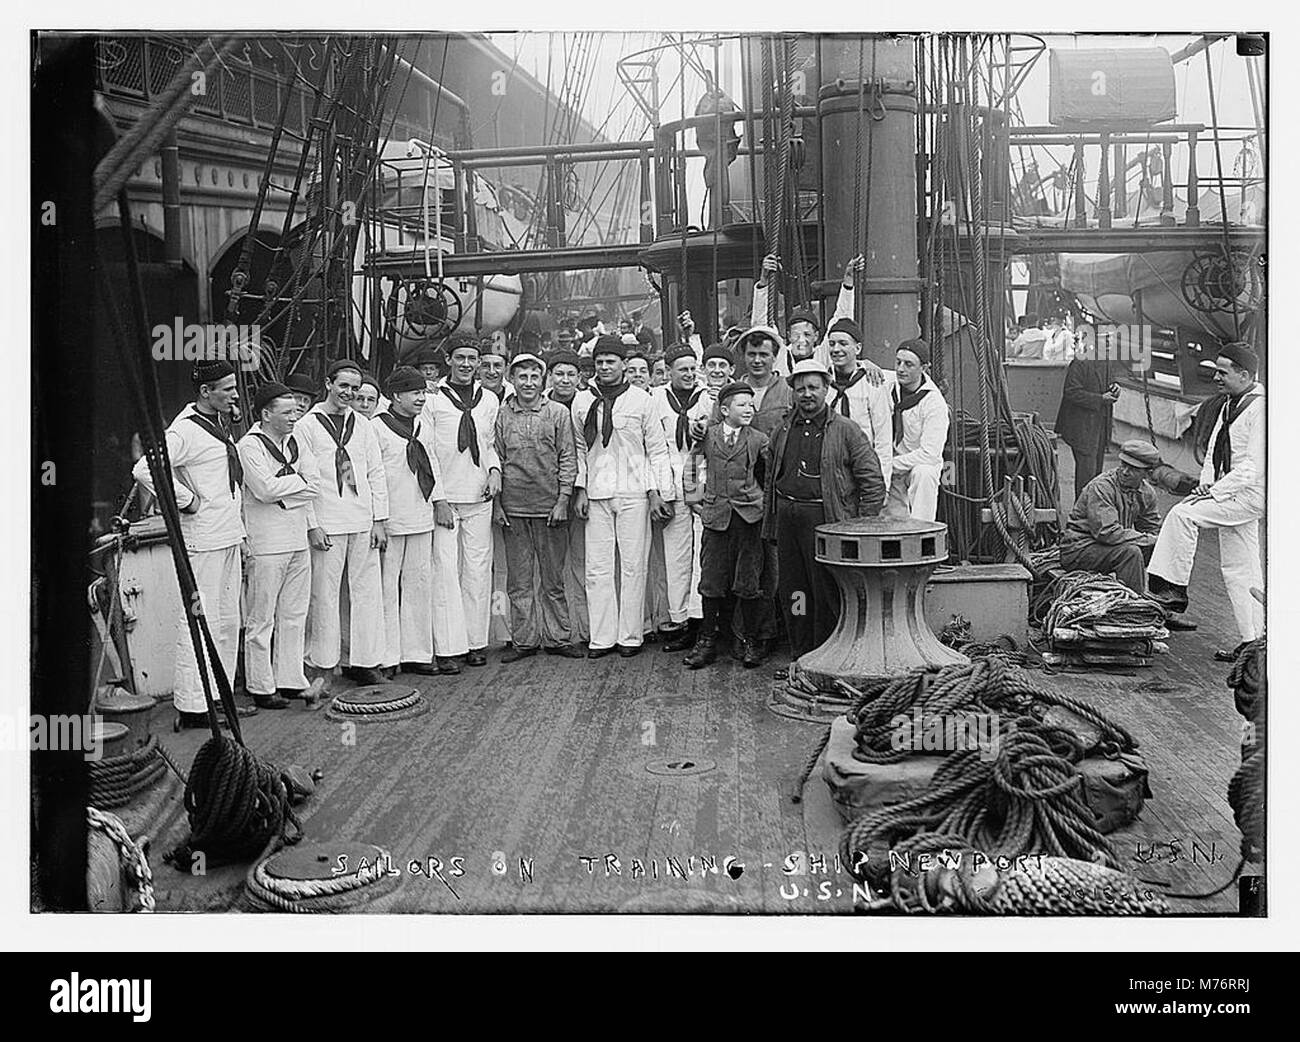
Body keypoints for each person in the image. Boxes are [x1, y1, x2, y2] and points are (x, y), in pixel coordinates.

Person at [131, 360, 250, 728]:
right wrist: (186, 500)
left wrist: (241, 534)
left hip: (227, 534)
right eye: (227, 389)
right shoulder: (185, 431)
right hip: (203, 537)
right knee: (200, 620)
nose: (234, 394)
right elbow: (145, 468)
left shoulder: (218, 424)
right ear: (205, 392)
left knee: (228, 622)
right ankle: (194, 706)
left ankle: (219, 696)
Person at [763, 358, 886, 660]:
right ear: (792, 390)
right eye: (801, 388)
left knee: (824, 591)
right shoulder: (783, 430)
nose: (807, 394)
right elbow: (769, 475)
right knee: (795, 591)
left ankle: (827, 656)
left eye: (814, 388)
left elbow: (872, 481)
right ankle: (800, 652)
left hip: (826, 522)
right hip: (788, 520)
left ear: (827, 389)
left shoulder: (846, 430)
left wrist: (857, 528)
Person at [1148, 343, 1265, 659]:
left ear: (1243, 374)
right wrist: (1206, 484)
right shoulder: (1231, 403)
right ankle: (1253, 641)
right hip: (1230, 491)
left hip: (1250, 495)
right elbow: (1214, 450)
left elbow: (1254, 466)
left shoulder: (1261, 408)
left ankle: (1172, 589)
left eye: (1222, 372)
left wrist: (1215, 492)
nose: (1216, 376)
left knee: (1182, 515)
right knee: (1239, 569)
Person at [572, 335, 674, 657]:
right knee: (597, 568)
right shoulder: (581, 401)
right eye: (599, 361)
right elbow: (578, 450)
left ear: (623, 365)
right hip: (597, 493)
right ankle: (601, 638)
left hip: (634, 491)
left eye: (611, 361)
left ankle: (630, 636)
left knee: (633, 566)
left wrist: (658, 492)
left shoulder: (642, 400)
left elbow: (656, 450)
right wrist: (581, 489)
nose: (604, 367)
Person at [296, 360, 390, 686]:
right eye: (343, 386)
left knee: (366, 593)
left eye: (354, 387)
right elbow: (303, 480)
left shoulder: (363, 426)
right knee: (324, 594)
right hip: (327, 521)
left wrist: (379, 520)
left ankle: (363, 662)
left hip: (361, 519)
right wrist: (312, 524)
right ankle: (323, 666)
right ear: (328, 384)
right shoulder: (306, 425)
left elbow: (375, 472)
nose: (348, 393)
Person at [494, 353, 583, 661]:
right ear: (513, 379)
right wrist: (498, 505)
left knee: (553, 580)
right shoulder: (503, 414)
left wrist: (563, 500)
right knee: (519, 582)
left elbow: (568, 458)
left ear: (542, 380)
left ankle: (559, 638)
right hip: (514, 507)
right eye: (522, 377)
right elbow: (497, 458)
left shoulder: (557, 413)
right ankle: (525, 641)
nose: (528, 383)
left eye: (534, 376)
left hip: (550, 509)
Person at [237, 381, 321, 709]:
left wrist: (287, 486)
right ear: (266, 414)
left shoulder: (297, 439)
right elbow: (264, 490)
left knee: (294, 613)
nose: (293, 417)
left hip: (297, 536)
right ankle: (260, 685)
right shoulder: (250, 446)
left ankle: (289, 679)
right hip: (267, 541)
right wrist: (297, 484)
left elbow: (316, 485)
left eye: (296, 411)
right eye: (286, 412)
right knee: (262, 618)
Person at [425, 334, 502, 670]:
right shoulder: (433, 400)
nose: (468, 365)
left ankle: (474, 642)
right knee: (445, 573)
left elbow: (489, 442)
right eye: (461, 358)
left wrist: (495, 471)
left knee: (477, 572)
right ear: (449, 360)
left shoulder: (489, 400)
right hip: (446, 499)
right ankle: (448, 648)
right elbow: (426, 451)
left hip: (478, 495)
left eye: (474, 359)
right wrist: (438, 497)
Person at [681, 382, 768, 669]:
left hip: (750, 519)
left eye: (751, 405)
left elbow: (768, 476)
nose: (748, 409)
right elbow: (692, 464)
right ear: (724, 409)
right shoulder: (708, 435)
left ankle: (749, 640)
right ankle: (706, 641)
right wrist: (694, 499)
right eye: (741, 404)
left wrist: (763, 504)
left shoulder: (758, 439)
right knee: (711, 581)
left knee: (749, 582)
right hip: (716, 517)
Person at [373, 367, 444, 677]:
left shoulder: (423, 427)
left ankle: (417, 652)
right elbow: (372, 476)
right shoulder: (377, 428)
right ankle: (388, 657)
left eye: (422, 393)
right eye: (414, 393)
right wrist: (378, 518)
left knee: (419, 584)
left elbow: (433, 466)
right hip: (391, 519)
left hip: (420, 514)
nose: (420, 398)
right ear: (396, 396)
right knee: (387, 589)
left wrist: (439, 501)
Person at [650, 344, 707, 652]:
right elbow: (654, 448)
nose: (688, 374)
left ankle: (702, 621)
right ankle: (680, 620)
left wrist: (705, 430)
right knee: (676, 555)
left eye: (691, 368)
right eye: (681, 369)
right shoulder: (656, 399)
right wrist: (663, 491)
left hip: (700, 474)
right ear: (668, 371)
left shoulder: (708, 398)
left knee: (702, 554)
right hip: (670, 475)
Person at [1059, 440, 1163, 594]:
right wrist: (1149, 540)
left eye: (1133, 469)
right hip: (1079, 549)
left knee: (1161, 549)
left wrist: (1160, 543)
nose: (1125, 471)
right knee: (1130, 553)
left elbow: (1152, 528)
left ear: (1147, 473)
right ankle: (1134, 607)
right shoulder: (1102, 487)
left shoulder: (1147, 493)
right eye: (1123, 465)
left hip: (1108, 548)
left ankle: (1160, 599)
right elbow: (1107, 532)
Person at [750, 253, 863, 374]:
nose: (802, 340)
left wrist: (848, 280)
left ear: (816, 336)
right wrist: (764, 281)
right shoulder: (780, 355)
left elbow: (842, 320)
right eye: (796, 335)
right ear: (788, 336)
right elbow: (761, 327)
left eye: (807, 334)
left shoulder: (822, 356)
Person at [545, 349, 590, 647]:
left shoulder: (586, 403)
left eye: (571, 374)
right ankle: (556, 632)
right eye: (559, 374)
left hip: (581, 492)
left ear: (579, 377)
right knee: (550, 570)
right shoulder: (541, 403)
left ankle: (587, 630)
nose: (565, 380)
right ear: (550, 376)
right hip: (547, 494)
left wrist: (581, 489)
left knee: (583, 566)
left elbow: (585, 450)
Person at [883, 339, 949, 522]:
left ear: (924, 367)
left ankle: (922, 530)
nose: (900, 369)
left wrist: (891, 465)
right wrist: (866, 364)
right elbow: (860, 370)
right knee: (891, 519)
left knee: (924, 473)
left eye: (908, 364)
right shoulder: (888, 384)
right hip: (891, 463)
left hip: (916, 464)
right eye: (898, 362)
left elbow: (930, 454)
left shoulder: (933, 403)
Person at [824, 317, 893, 488]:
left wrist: (882, 485)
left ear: (858, 348)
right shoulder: (822, 384)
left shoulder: (873, 384)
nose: (836, 349)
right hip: (829, 468)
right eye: (832, 344)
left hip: (862, 467)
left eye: (843, 343)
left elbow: (883, 439)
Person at [1055, 336, 1120, 500]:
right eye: (1104, 340)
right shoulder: (1080, 363)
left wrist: (1116, 387)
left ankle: (1090, 508)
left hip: (1099, 426)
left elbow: (1110, 381)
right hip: (1082, 427)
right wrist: (1100, 399)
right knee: (1086, 474)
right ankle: (1080, 514)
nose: (1108, 344)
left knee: (1096, 473)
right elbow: (1071, 392)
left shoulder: (1105, 362)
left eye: (1109, 340)